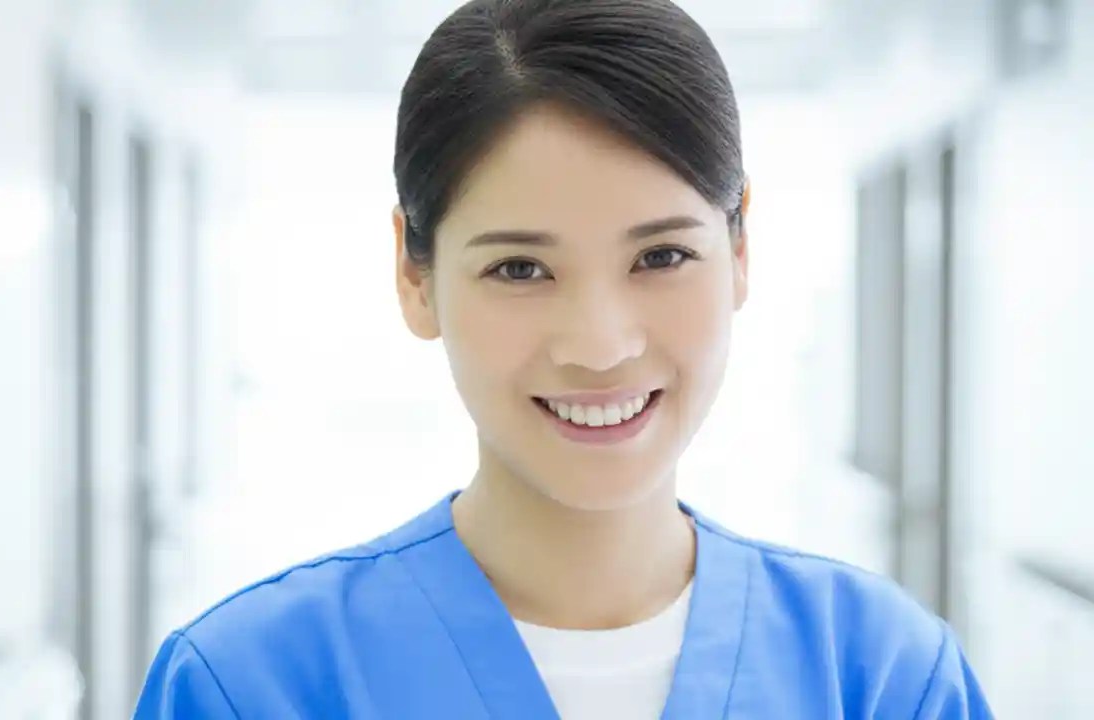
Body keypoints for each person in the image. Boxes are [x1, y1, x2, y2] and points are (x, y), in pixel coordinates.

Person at [134, 0, 993, 717]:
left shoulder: (881, 678)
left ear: (739, 249)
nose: (601, 345)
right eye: (520, 268)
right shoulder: (254, 687)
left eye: (660, 257)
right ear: (413, 272)